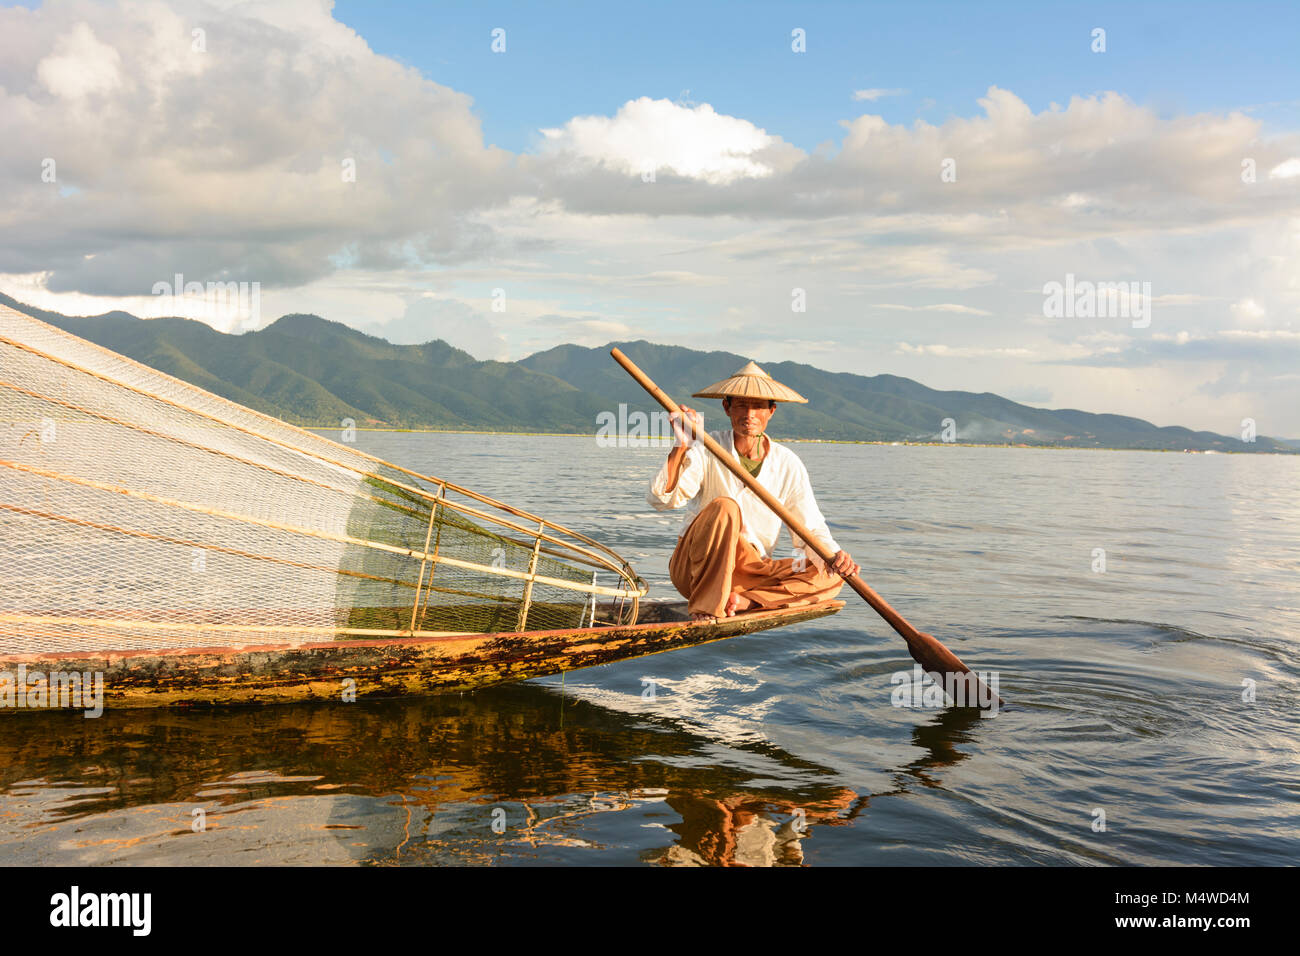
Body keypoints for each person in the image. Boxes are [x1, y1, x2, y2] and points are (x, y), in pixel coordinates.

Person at [647, 360, 859, 621]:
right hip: (697, 569)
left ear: (772, 411)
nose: (749, 415)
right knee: (725, 508)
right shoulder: (706, 447)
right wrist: (682, 446)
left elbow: (810, 529)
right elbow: (661, 499)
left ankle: (746, 602)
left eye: (758, 406)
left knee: (831, 575)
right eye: (741, 405)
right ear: (727, 408)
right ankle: (706, 606)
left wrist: (833, 555)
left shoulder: (787, 463)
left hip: (751, 573)